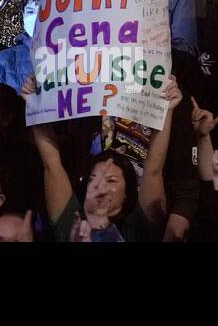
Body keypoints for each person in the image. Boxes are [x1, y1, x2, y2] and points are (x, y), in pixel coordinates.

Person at [33, 74, 182, 241]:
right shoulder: (71, 222)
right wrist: (35, 105)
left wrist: (167, 109)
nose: (99, 186)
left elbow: (153, 171)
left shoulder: (138, 228)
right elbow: (51, 164)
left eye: (111, 180)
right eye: (93, 179)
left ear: (127, 193)